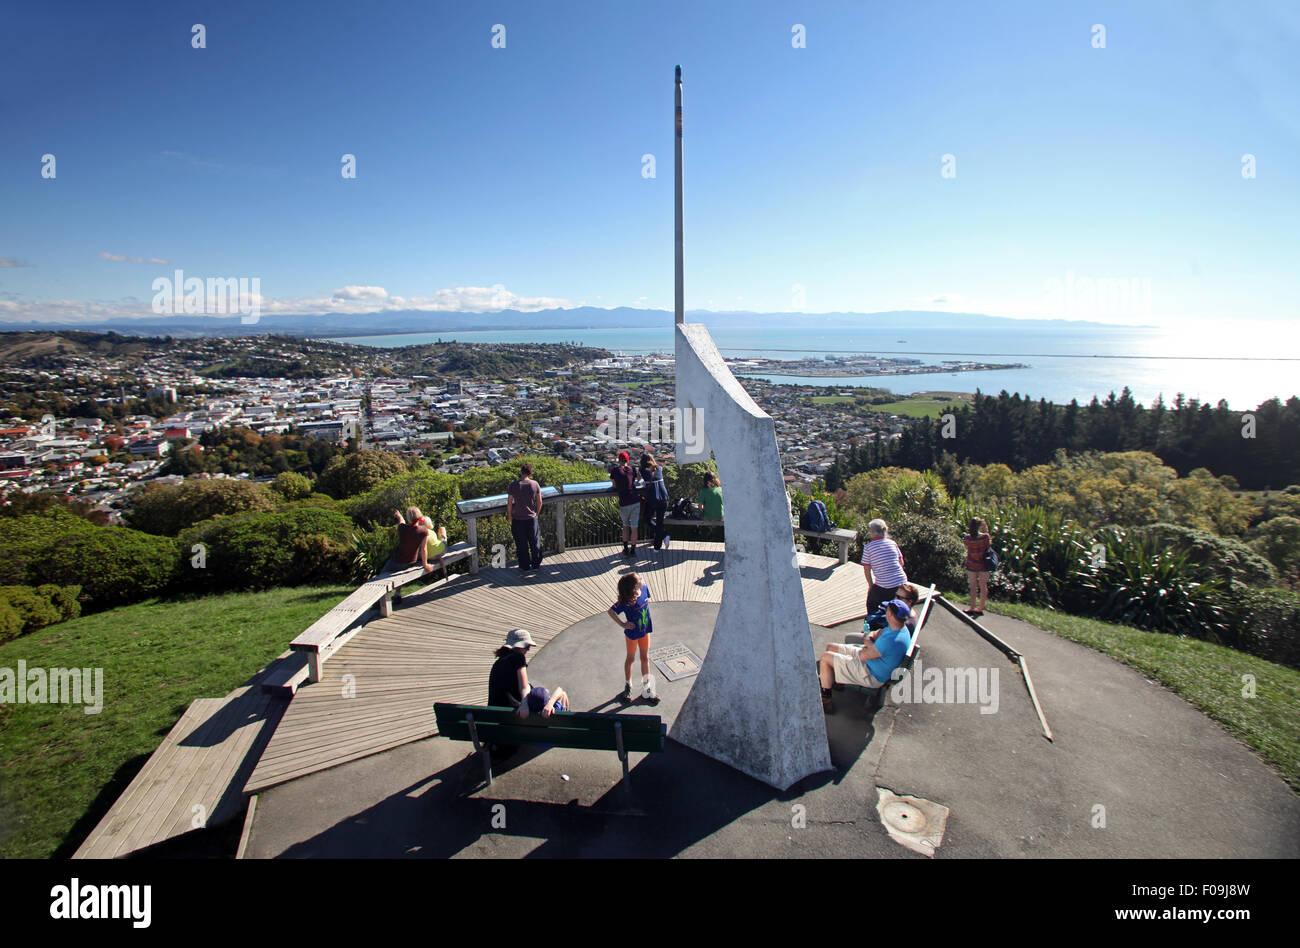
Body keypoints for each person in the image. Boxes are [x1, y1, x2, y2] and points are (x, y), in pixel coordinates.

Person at [817, 599, 912, 714]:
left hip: (870, 674)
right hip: (870, 659)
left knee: (826, 658)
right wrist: (870, 639)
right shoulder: (899, 628)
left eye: (887, 609)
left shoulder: (891, 640)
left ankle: (826, 701)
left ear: (890, 614)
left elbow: (864, 656)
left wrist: (868, 641)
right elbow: (877, 633)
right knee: (831, 647)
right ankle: (837, 681)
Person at [607, 572, 659, 704]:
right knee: (630, 658)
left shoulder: (645, 589)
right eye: (638, 580)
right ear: (633, 587)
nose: (642, 580)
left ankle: (647, 689)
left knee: (645, 657)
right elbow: (611, 611)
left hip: (645, 630)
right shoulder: (625, 601)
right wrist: (623, 624)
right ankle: (628, 685)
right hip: (632, 634)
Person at [860, 518, 907, 614]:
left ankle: (872, 625)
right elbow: (901, 562)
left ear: (872, 532)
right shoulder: (892, 543)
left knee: (872, 604)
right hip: (901, 581)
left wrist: (871, 585)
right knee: (896, 607)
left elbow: (866, 569)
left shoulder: (868, 548)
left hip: (884, 584)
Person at [506, 462, 543, 573]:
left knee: (521, 544)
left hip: (518, 519)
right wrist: (536, 513)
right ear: (530, 473)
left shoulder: (513, 485)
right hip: (531, 518)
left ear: (521, 472)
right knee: (535, 543)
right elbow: (539, 501)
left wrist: (510, 516)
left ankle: (525, 566)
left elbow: (509, 503)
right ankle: (536, 564)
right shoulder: (535, 484)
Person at [609, 451, 641, 558]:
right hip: (635, 500)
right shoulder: (632, 469)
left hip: (624, 502)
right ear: (627, 460)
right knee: (634, 527)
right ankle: (633, 551)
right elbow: (639, 478)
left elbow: (614, 485)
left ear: (619, 460)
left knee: (625, 526)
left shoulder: (615, 470)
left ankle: (626, 549)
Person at [962, 518, 992, 617]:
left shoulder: (967, 538)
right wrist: (986, 529)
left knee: (973, 586)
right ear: (980, 526)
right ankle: (980, 608)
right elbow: (989, 544)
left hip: (971, 563)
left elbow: (966, 545)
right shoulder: (985, 537)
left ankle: (972, 607)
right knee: (983, 586)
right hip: (984, 564)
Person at [641, 455, 671, 550]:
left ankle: (663, 536)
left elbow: (638, 481)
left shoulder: (642, 471)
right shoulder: (659, 468)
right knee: (659, 522)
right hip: (664, 499)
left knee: (647, 519)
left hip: (653, 499)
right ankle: (657, 547)